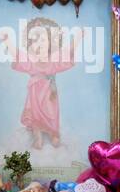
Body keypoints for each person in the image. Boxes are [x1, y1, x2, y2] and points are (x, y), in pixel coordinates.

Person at [10, 16, 76, 149]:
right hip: (35, 91)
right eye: (35, 41)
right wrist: (7, 42)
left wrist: (77, 40)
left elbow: (67, 56)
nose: (39, 44)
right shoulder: (31, 62)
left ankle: (53, 133)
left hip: (50, 90)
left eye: (43, 40)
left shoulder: (54, 60)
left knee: (52, 113)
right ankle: (38, 137)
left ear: (51, 44)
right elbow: (19, 58)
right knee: (35, 114)